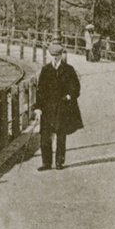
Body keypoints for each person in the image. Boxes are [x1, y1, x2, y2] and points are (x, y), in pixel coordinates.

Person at [33, 42, 83, 170]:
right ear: (49, 56)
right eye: (52, 55)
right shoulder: (45, 70)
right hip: (47, 107)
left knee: (61, 135)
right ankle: (46, 162)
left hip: (62, 107)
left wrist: (69, 96)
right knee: (45, 136)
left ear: (61, 55)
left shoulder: (68, 70)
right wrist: (38, 108)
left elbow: (76, 87)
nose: (55, 58)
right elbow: (40, 91)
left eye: (57, 55)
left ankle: (59, 161)